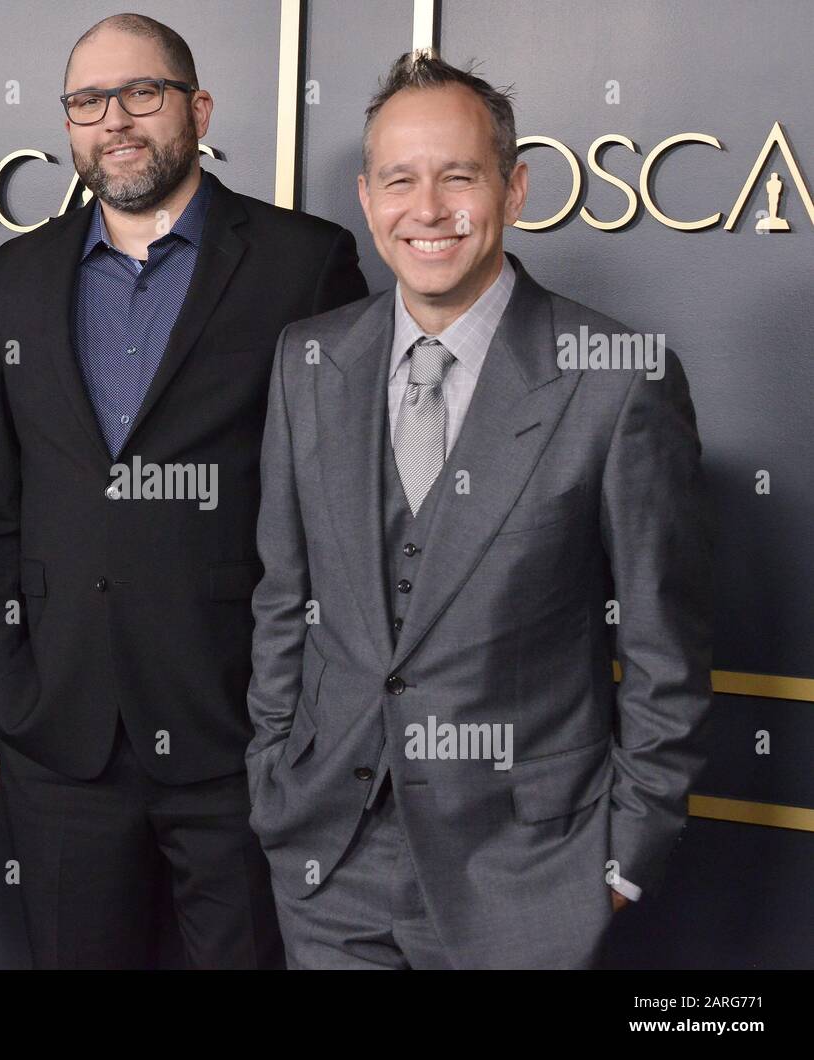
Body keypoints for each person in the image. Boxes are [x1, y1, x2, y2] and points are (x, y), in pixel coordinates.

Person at [246, 52, 712, 968]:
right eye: (400, 180)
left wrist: (624, 855)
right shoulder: (308, 360)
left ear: (515, 187)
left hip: (528, 873)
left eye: (458, 175)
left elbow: (665, 649)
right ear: (367, 195)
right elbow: (282, 600)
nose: (428, 209)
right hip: (328, 863)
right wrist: (274, 778)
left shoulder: (617, 378)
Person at [0, 13, 368, 968]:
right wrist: (5, 687)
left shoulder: (303, 262)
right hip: (61, 736)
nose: (116, 120)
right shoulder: (14, 275)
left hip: (239, 735)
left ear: (198, 107)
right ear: (68, 122)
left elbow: (346, 508)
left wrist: (304, 716)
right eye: (89, 101)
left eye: (142, 93)